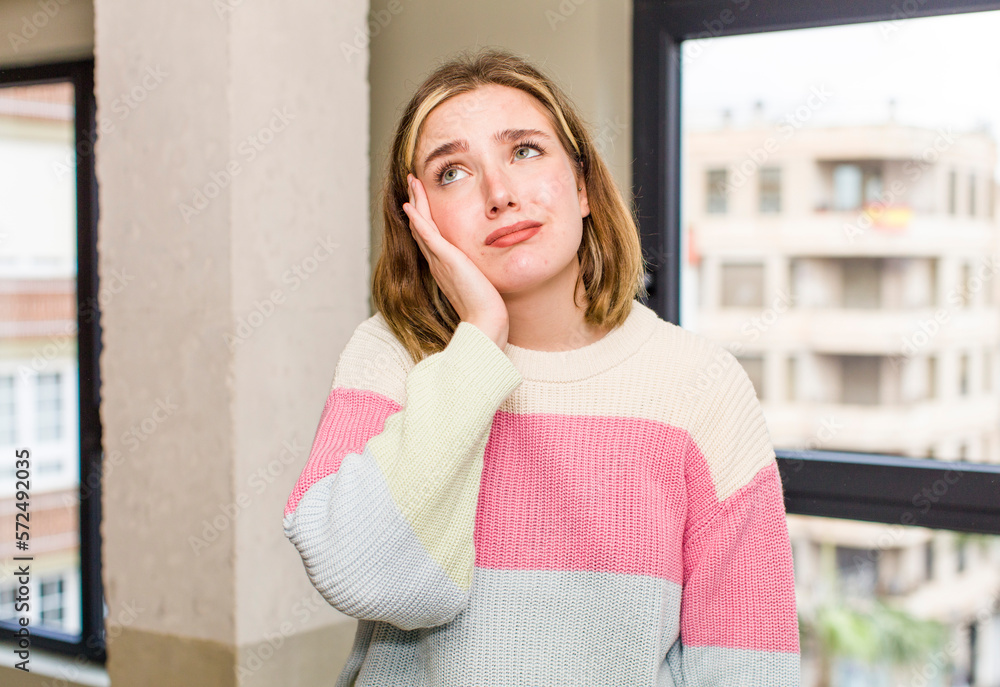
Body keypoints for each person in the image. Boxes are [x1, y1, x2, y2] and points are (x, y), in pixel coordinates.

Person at [283, 47, 800, 686]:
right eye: (451, 174)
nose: (499, 194)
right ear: (417, 222)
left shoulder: (700, 384)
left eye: (524, 151)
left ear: (582, 186)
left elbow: (748, 666)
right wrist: (478, 340)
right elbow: (359, 570)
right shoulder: (391, 354)